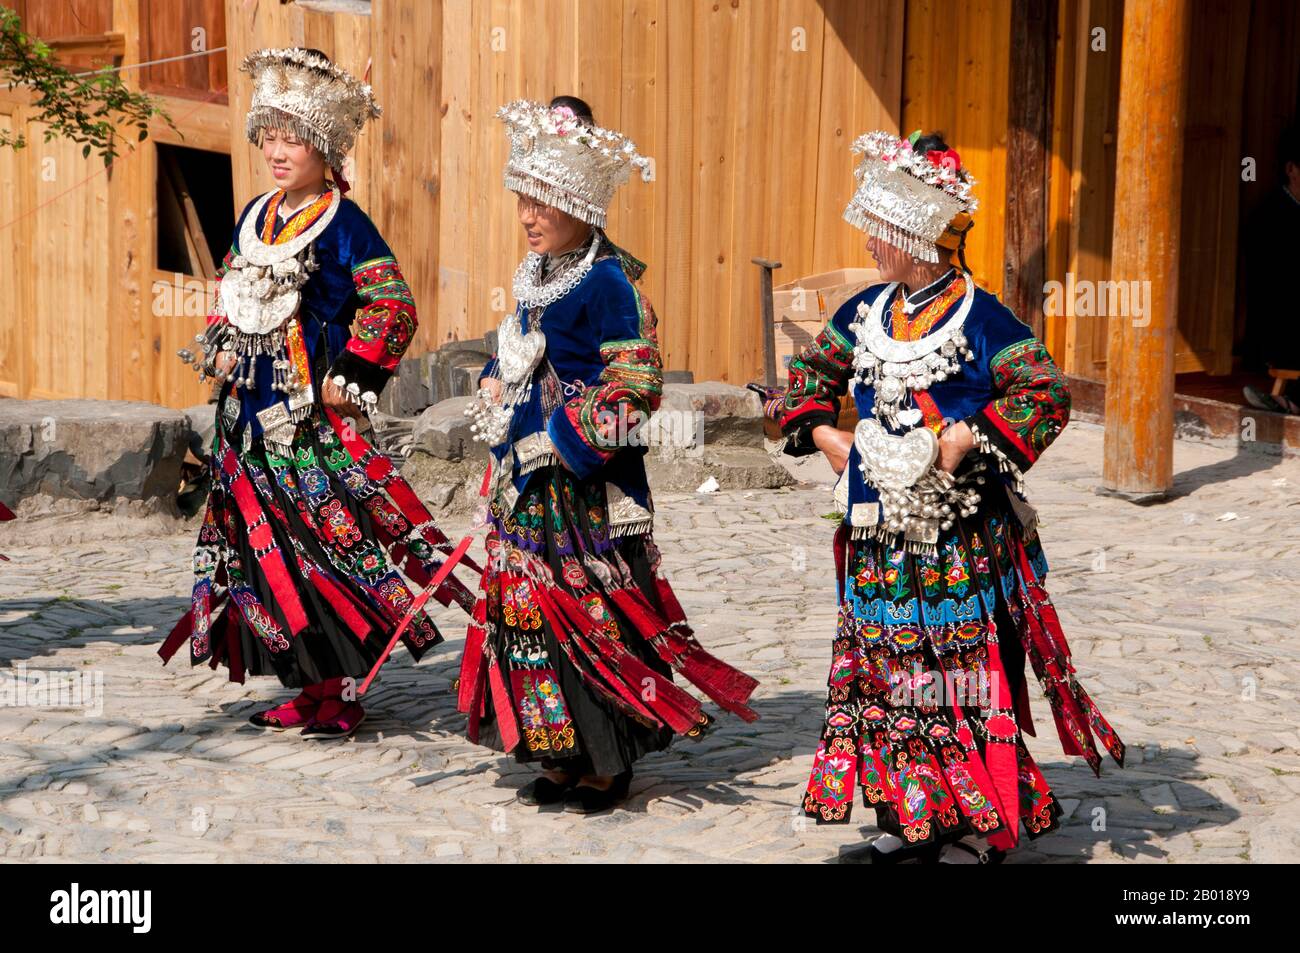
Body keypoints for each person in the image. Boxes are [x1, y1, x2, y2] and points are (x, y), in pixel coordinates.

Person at [778, 129, 1125, 862]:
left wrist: (969, 435)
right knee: (886, 666)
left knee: (956, 672)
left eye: (882, 229)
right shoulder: (867, 312)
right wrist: (822, 436)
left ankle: (980, 822)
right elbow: (805, 381)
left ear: (917, 232)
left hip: (956, 540)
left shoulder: (982, 318)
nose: (870, 243)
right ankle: (914, 816)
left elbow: (1044, 394)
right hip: (876, 535)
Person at [455, 96, 759, 814]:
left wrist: (559, 439)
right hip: (525, 486)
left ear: (585, 204)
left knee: (591, 614)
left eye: (546, 202)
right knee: (530, 612)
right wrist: (494, 383)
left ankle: (606, 758)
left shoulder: (608, 284)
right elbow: (518, 355)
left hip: (583, 490)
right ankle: (557, 749)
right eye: (524, 199)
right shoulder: (538, 272)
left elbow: (636, 386)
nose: (530, 215)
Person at [159, 48, 474, 739]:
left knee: (321, 547)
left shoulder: (344, 224)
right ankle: (304, 683)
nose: (277, 150)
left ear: (325, 147)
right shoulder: (254, 214)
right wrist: (219, 341)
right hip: (247, 417)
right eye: (269, 134)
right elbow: (234, 291)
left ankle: (341, 685)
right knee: (261, 548)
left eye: (293, 138)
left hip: (309, 423)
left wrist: (355, 371)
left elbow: (392, 304)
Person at [1241, 122, 1300, 414]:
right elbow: (1273, 286)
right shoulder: (1270, 216)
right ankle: (1288, 401)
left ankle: (1286, 402)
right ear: (1292, 169)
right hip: (1281, 321)